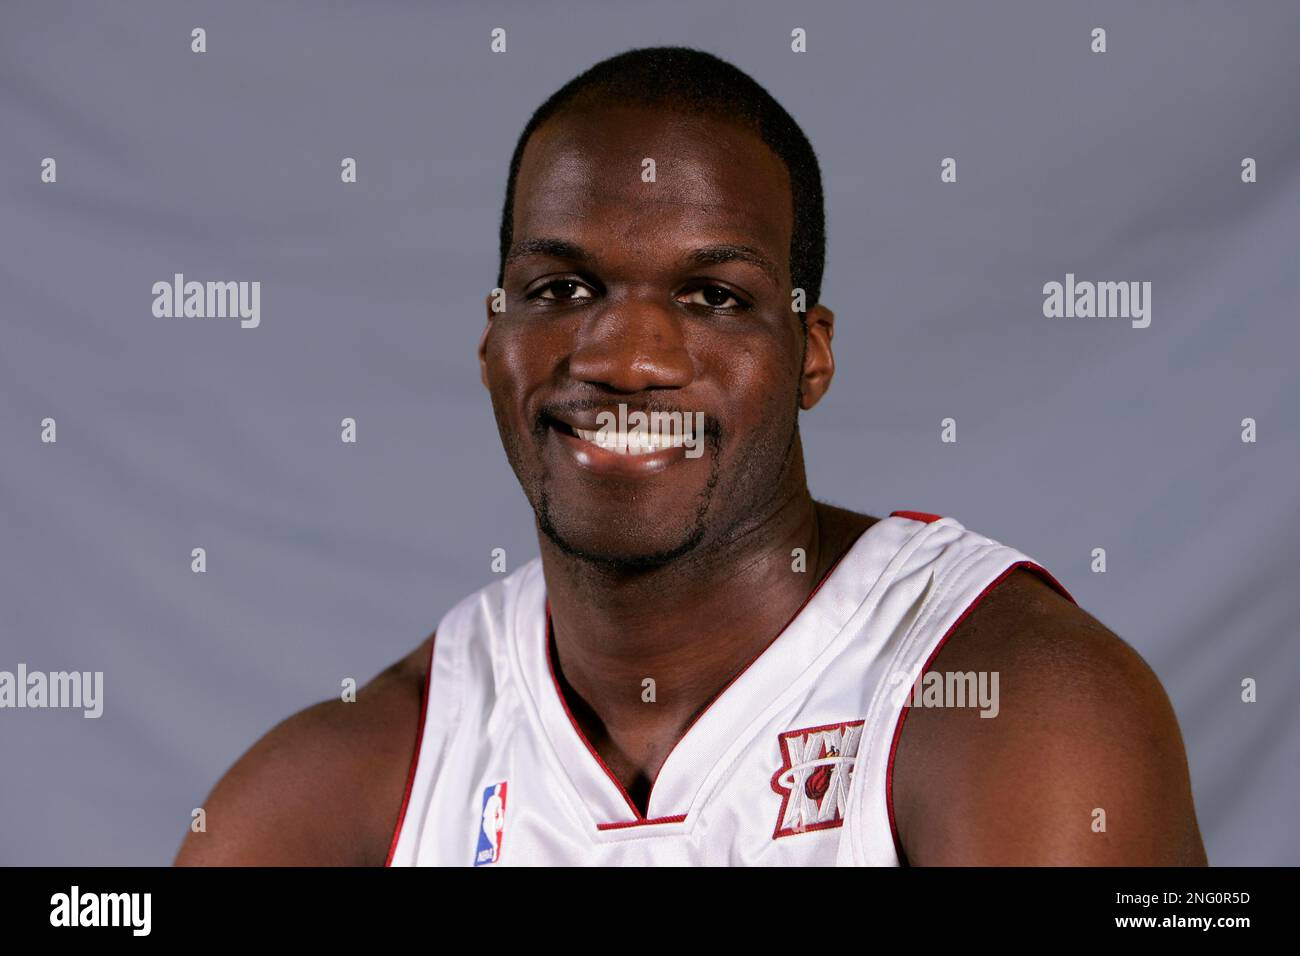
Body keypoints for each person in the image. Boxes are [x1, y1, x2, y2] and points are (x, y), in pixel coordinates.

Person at [175, 46, 1206, 867]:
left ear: (809, 354)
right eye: (561, 288)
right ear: (492, 340)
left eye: (713, 297)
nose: (625, 358)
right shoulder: (350, 780)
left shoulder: (1005, 697)